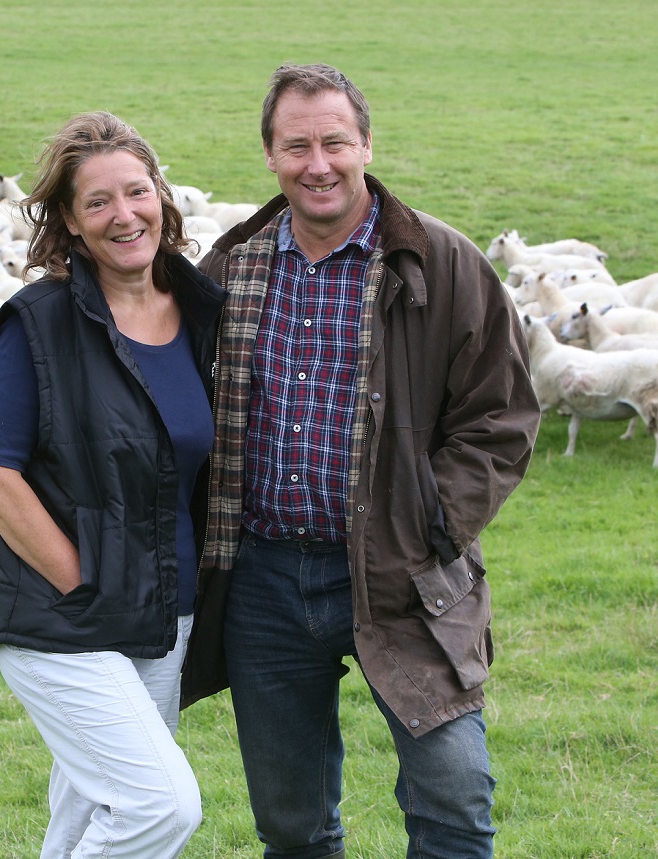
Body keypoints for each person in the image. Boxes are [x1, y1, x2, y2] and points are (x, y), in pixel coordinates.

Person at [183, 64, 542, 858]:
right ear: (270, 155)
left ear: (367, 145)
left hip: (406, 575)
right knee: (292, 823)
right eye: (296, 144)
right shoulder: (233, 268)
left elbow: (503, 417)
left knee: (453, 803)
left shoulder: (441, 264)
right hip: (265, 581)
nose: (318, 163)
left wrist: (432, 519)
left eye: (335, 142)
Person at [0, 111, 226, 858]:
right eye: (98, 203)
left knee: (88, 816)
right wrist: (79, 578)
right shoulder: (38, 324)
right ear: (71, 225)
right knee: (160, 806)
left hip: (163, 613)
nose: (125, 215)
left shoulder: (201, 311)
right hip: (66, 618)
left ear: (162, 196)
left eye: (137, 191)